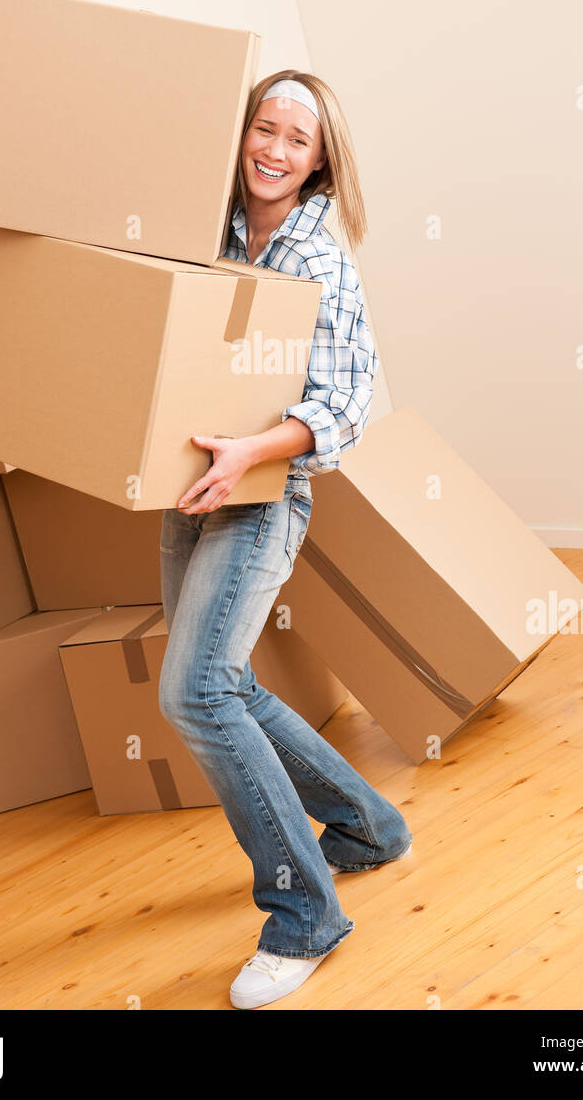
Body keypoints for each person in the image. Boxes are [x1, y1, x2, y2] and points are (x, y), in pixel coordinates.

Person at [158, 70, 413, 1010]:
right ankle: (367, 827)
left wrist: (250, 453)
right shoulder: (211, 229)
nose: (271, 149)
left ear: (318, 162)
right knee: (222, 682)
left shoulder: (319, 258)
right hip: (192, 486)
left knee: (192, 690)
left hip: (262, 492)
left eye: (293, 141)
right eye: (262, 129)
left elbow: (346, 405)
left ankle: (304, 914)